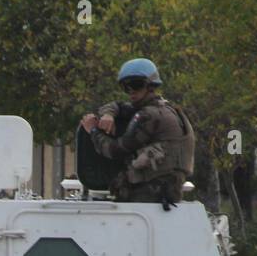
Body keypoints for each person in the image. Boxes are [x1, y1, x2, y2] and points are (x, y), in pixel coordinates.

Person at [80, 58, 195, 209]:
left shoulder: (149, 115)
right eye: (126, 87)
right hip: (163, 192)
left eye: (136, 85)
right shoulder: (163, 109)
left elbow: (116, 150)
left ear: (150, 86)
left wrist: (93, 131)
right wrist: (109, 114)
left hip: (151, 194)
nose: (131, 92)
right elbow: (119, 106)